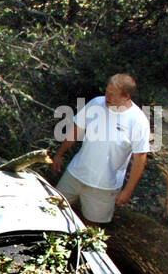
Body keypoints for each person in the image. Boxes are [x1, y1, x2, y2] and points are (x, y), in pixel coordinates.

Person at [49, 74, 151, 225]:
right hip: (75, 174)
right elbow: (76, 131)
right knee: (52, 211)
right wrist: (59, 155)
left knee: (91, 228)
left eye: (113, 94)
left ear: (126, 96)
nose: (107, 97)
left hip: (104, 187)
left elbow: (140, 158)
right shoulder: (95, 104)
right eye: (107, 91)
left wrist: (128, 190)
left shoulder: (138, 121)